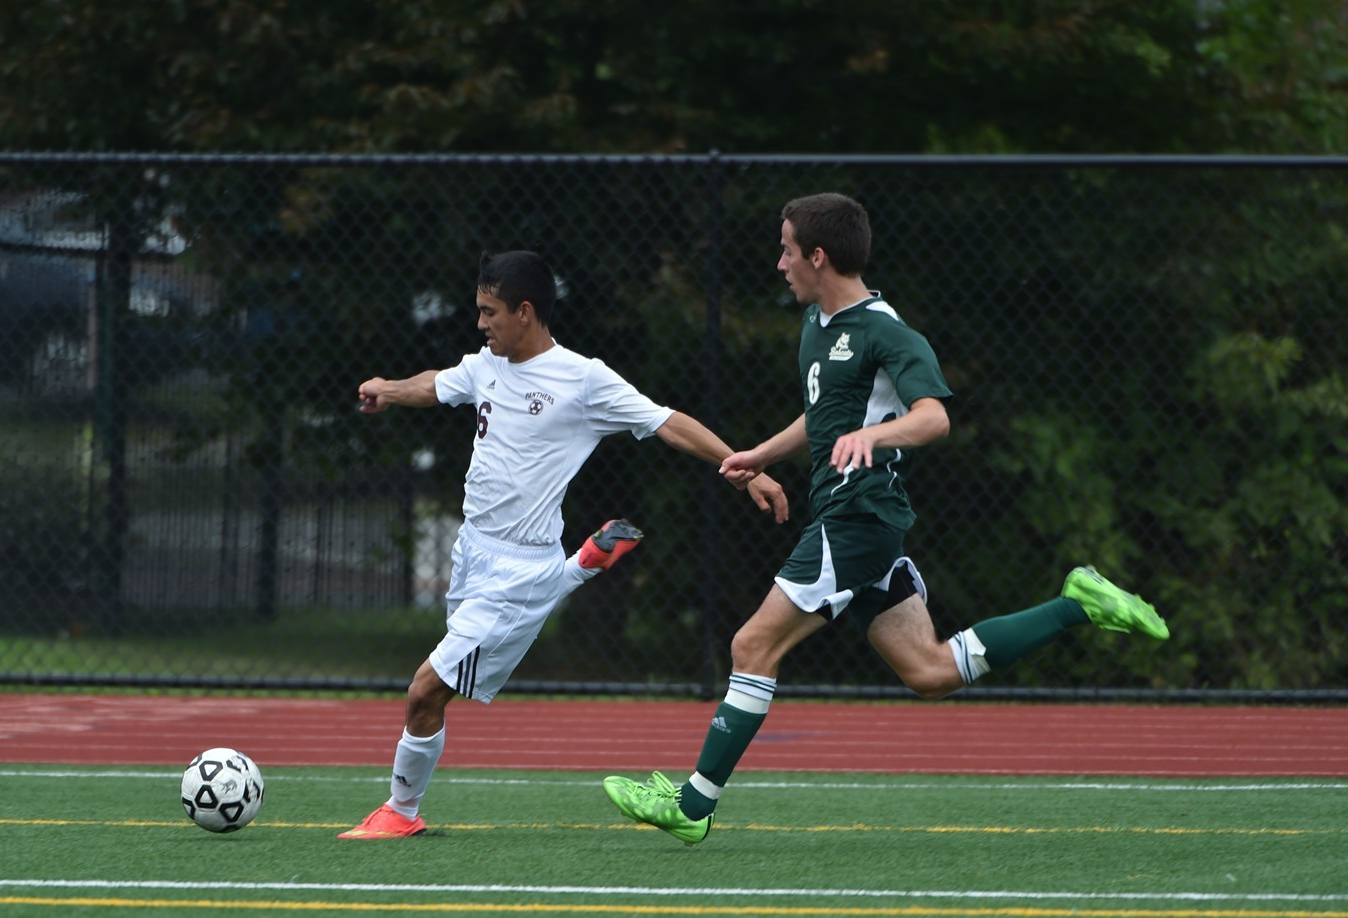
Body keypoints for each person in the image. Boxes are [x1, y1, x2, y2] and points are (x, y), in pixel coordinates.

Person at [602, 192, 1169, 845]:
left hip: (857, 517)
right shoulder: (818, 325)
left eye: (787, 249)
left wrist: (876, 438)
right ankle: (1075, 604)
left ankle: (693, 805)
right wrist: (762, 451)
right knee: (928, 670)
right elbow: (827, 416)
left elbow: (934, 416)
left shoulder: (884, 330)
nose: (779, 262)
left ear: (819, 256)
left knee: (751, 646)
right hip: (856, 517)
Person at [338, 249, 790, 840]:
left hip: (517, 573)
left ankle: (399, 812)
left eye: (489, 312)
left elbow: (667, 421)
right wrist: (392, 390)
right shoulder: (485, 365)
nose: (480, 324)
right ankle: (581, 567)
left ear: (524, 312)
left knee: (425, 687)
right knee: (433, 697)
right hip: (470, 553)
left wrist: (747, 467)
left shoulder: (582, 379)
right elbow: (439, 385)